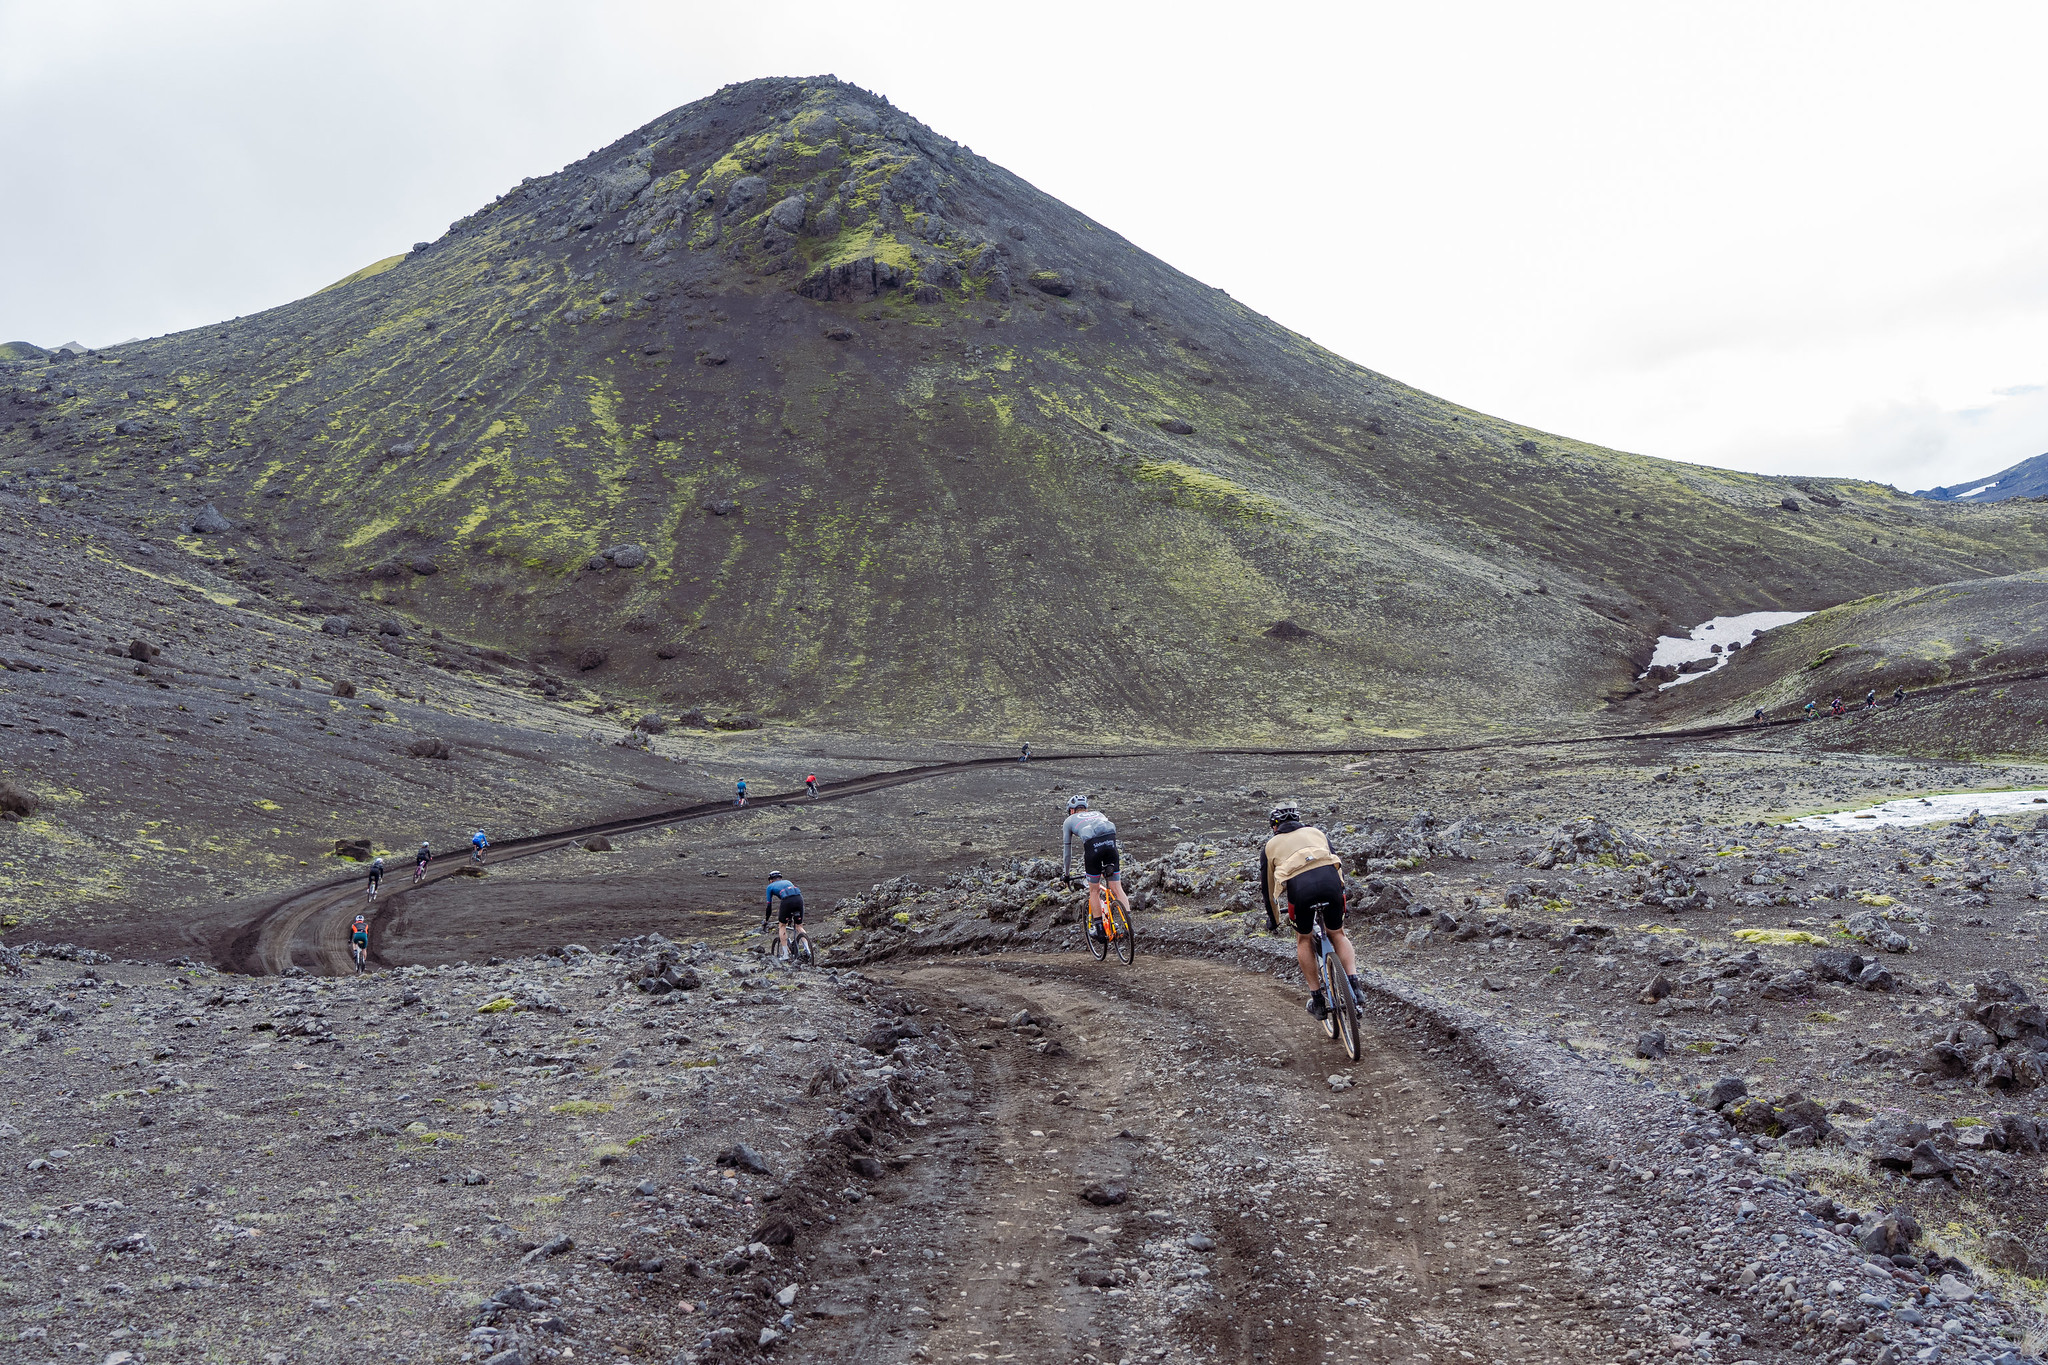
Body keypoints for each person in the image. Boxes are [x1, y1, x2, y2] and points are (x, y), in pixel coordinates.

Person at [1260, 800, 1359, 1021]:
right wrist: (1343, 905)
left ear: (1274, 826)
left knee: (1304, 939)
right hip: (1331, 886)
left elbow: (1268, 889)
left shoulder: (1270, 845)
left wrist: (1273, 920)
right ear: (1298, 819)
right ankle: (1355, 986)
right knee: (1338, 933)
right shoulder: (1317, 832)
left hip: (1301, 892)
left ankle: (1318, 1000)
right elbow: (1337, 866)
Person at [1059, 795, 1128, 945]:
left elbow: (1067, 852)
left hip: (1093, 848)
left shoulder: (1068, 821)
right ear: (1086, 808)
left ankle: (1099, 930)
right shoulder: (1099, 814)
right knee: (1117, 887)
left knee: (1094, 890)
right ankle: (1128, 924)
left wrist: (1066, 874)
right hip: (1111, 843)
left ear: (1071, 810)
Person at [762, 871, 806, 959]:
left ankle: (785, 955)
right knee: (799, 926)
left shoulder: (770, 887)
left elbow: (769, 905)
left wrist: (766, 920)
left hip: (787, 901)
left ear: (771, 880)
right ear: (780, 878)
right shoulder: (788, 882)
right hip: (799, 899)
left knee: (782, 925)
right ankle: (808, 949)